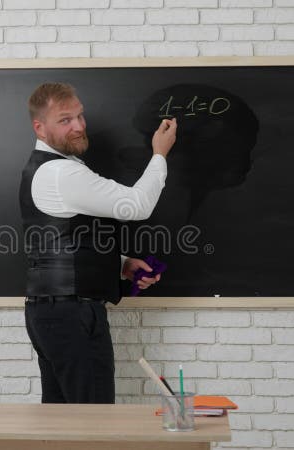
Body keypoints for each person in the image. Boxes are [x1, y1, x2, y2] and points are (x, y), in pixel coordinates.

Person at [19, 82, 177, 404]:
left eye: (80, 116)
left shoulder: (53, 169)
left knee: (64, 423)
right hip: (72, 314)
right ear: (40, 127)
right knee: (95, 422)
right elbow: (137, 206)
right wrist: (160, 154)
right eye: (65, 120)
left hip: (52, 313)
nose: (78, 126)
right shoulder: (63, 173)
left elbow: (63, 240)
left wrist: (122, 265)